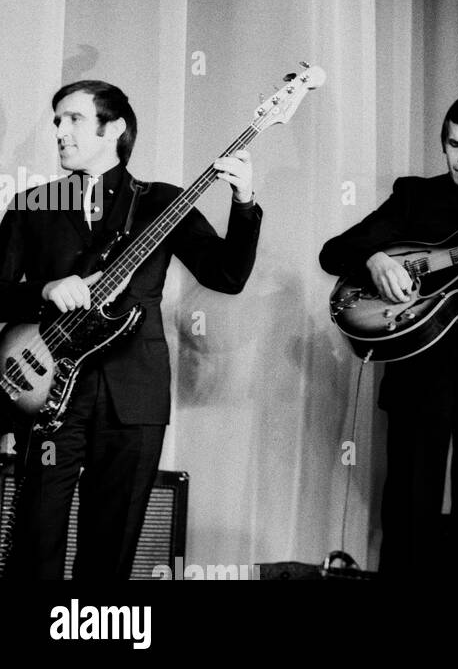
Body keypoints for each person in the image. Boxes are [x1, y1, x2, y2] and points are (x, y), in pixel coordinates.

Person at [0, 80, 262, 579]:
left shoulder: (161, 201)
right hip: (49, 394)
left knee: (110, 550)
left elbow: (226, 276)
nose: (59, 131)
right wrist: (45, 289)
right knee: (36, 543)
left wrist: (244, 202)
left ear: (114, 128)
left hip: (133, 398)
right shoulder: (33, 204)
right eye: (57, 121)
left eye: (72, 119)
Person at [318, 93, 458, 580]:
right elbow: (333, 251)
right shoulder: (416, 196)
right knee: (408, 511)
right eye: (453, 145)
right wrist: (375, 259)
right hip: (422, 373)